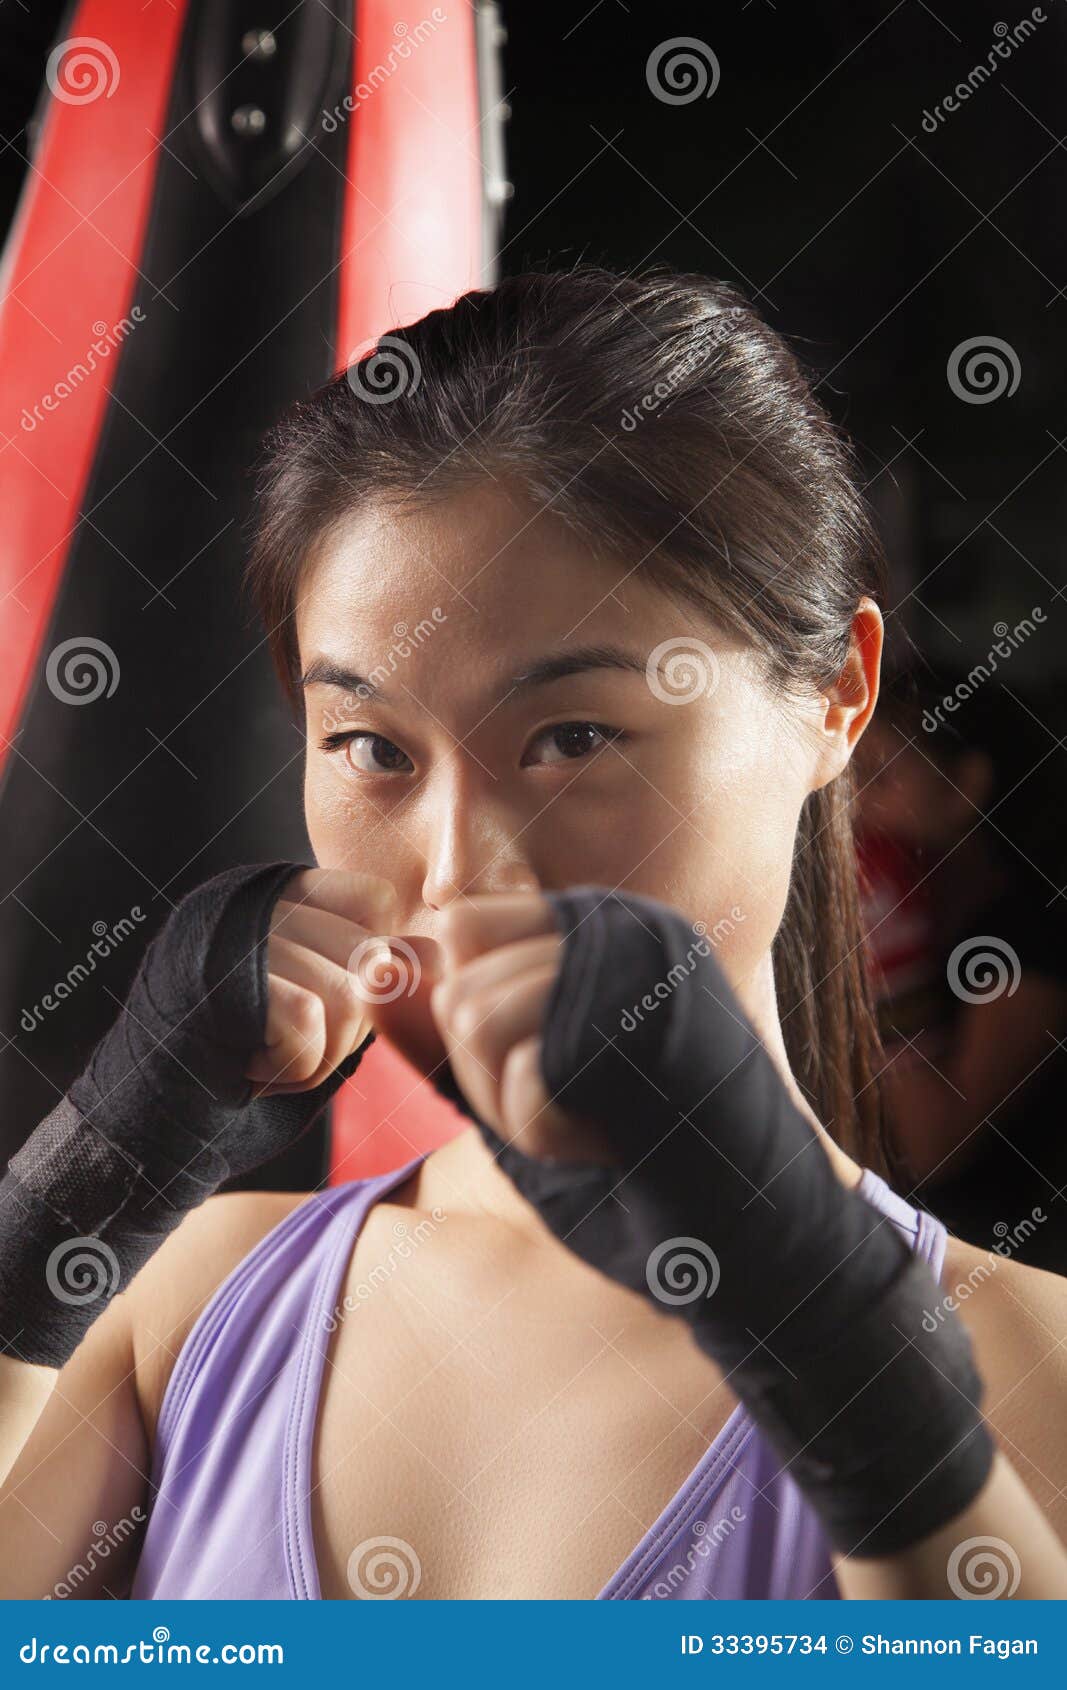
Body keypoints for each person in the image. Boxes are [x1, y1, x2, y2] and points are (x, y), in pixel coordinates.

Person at [1, 266, 1065, 1603]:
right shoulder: (192, 1305)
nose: (455, 871)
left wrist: (837, 1347)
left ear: (836, 696)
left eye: (572, 737)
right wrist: (71, 1195)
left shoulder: (1026, 1360)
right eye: (371, 745)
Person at [856, 665, 1067, 1276]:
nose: (856, 809)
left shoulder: (1029, 939)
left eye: (879, 778)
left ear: (962, 786)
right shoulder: (941, 920)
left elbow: (931, 1147)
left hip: (1002, 1290)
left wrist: (882, 958)